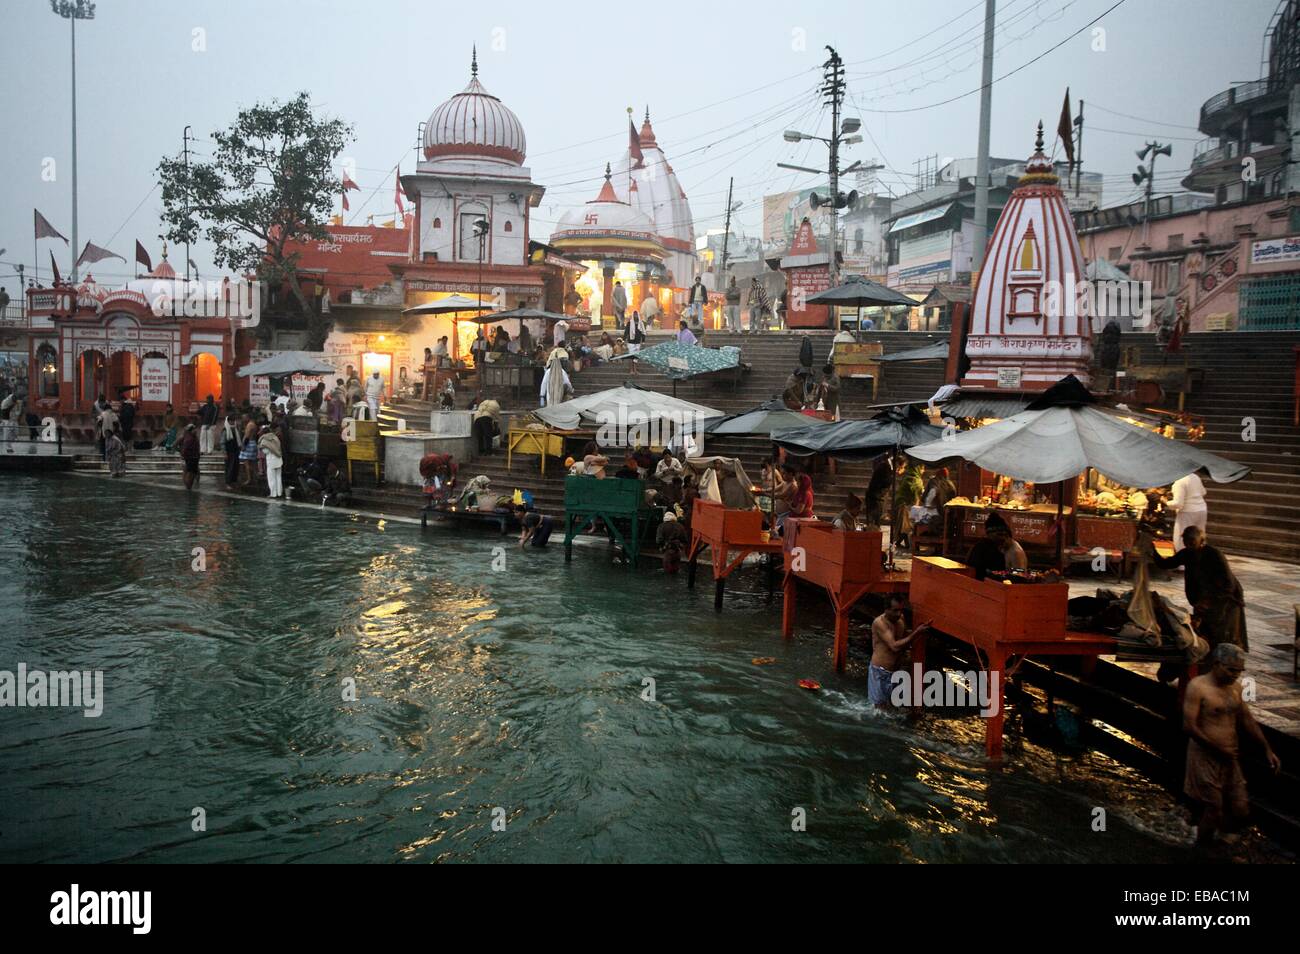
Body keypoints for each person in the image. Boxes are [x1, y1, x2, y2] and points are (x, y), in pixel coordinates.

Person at [1182, 643, 1280, 848]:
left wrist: (1267, 748)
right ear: (1217, 664)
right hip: (1204, 755)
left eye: (1239, 671)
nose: (1236, 675)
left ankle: (1215, 834)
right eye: (1231, 670)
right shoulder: (1198, 687)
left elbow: (1247, 719)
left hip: (1229, 756)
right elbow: (1189, 726)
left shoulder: (1236, 688)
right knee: (1214, 807)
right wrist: (1217, 748)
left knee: (1241, 808)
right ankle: (1201, 848)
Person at [1152, 525, 1248, 651]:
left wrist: (1209, 601)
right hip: (1202, 599)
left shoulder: (1214, 554)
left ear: (1201, 541)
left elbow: (1228, 583)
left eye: (1192, 541)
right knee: (1205, 630)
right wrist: (1151, 550)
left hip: (1225, 600)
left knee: (1224, 633)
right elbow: (1166, 564)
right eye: (1186, 541)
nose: (1188, 544)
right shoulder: (1186, 554)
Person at [869, 596, 929, 707]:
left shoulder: (901, 618)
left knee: (894, 707)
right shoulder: (879, 623)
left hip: (896, 671)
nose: (898, 613)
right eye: (895, 610)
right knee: (879, 710)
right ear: (886, 609)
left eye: (900, 610)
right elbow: (894, 646)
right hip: (880, 672)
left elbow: (905, 637)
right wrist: (916, 633)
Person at [965, 513, 1026, 580]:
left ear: (1007, 535)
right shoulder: (984, 546)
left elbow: (1018, 578)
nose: (1001, 543)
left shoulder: (1015, 552)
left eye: (1003, 537)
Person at [1168, 470, 1208, 552]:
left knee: (1182, 537)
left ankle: (1182, 562)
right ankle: (1200, 558)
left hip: (1187, 511)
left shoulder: (1179, 482)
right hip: (1201, 509)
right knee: (1199, 536)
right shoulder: (1195, 476)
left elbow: (1178, 504)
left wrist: (1165, 501)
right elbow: (1203, 492)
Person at [258, 424, 285, 498]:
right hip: (279, 459)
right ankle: (279, 493)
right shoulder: (275, 437)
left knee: (271, 477)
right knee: (278, 477)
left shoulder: (264, 440)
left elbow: (266, 451)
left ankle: (273, 494)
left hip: (271, 460)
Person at [178, 423, 202, 490]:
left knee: (194, 472)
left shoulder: (195, 438)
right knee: (188, 472)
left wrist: (198, 454)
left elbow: (197, 447)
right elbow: (182, 447)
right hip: (189, 457)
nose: (195, 430)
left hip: (195, 457)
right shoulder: (187, 438)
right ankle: (188, 487)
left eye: (195, 429)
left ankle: (191, 485)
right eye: (194, 429)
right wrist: (181, 453)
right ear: (190, 431)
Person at [222, 414, 241, 489]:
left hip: (236, 451)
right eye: (231, 421)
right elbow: (222, 442)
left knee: (235, 467)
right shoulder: (225, 430)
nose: (232, 422)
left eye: (233, 421)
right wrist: (224, 453)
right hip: (229, 452)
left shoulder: (236, 429)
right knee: (229, 468)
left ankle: (234, 481)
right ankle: (228, 483)